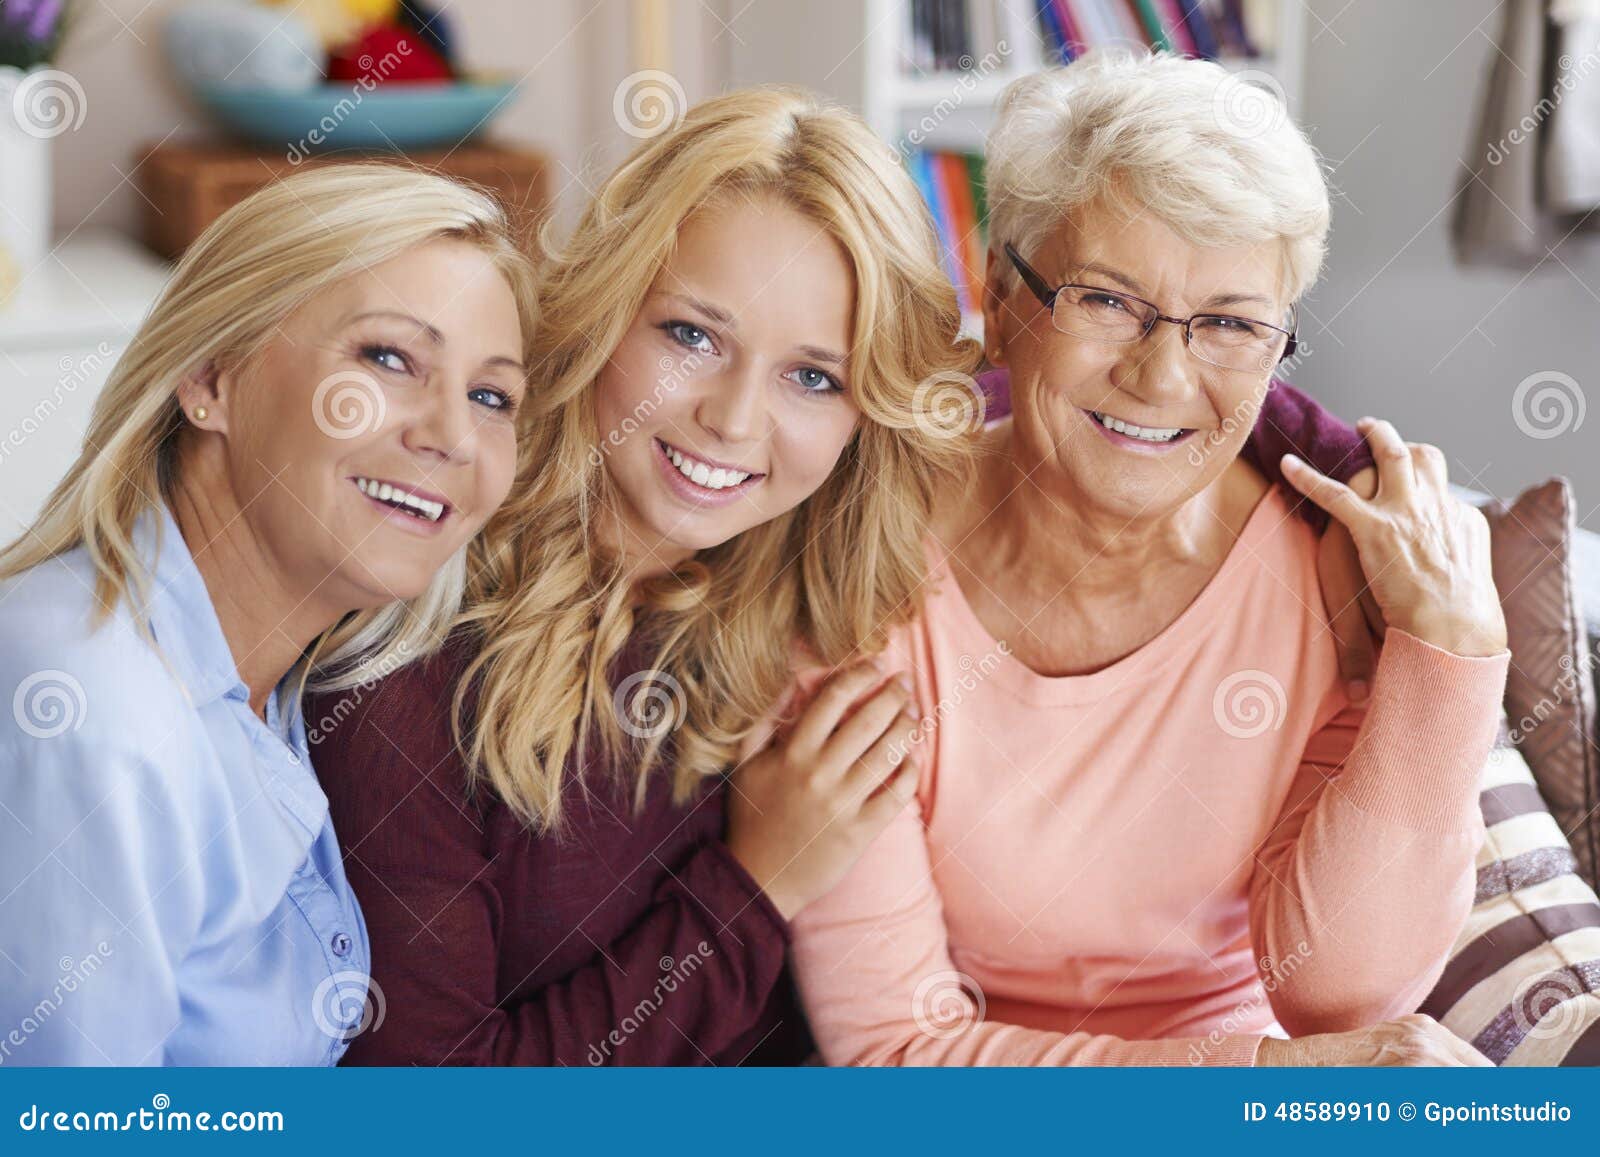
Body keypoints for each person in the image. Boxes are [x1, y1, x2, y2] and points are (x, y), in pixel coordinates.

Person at [308, 86, 1382, 1066]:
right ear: (599, 305)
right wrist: (754, 885)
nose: (734, 420)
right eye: (691, 335)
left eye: (814, 377)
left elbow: (1110, 395)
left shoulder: (788, 568)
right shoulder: (411, 654)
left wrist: (1370, 475)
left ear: (864, 407)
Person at [786, 53, 1510, 1068]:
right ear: (1002, 297)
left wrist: (1455, 648)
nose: (1161, 375)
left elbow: (1343, 994)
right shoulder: (860, 564)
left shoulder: (1329, 569)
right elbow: (895, 1050)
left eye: (1229, 323)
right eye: (1106, 301)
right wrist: (1268, 1081)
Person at [0, 164, 538, 1065]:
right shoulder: (99, 713)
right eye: (388, 358)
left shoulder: (273, 679)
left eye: (491, 397)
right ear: (210, 374)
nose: (451, 435)